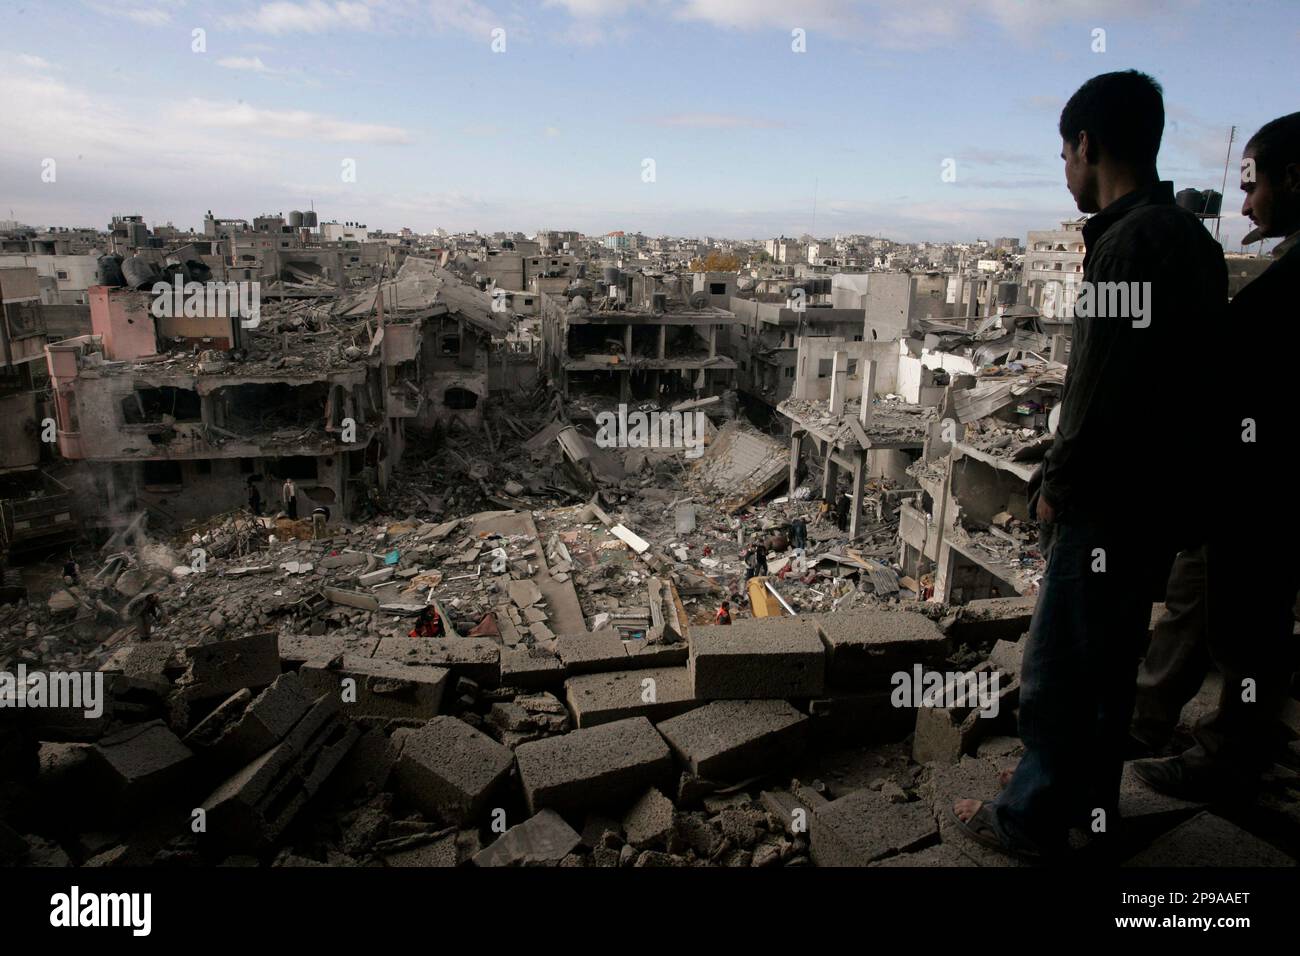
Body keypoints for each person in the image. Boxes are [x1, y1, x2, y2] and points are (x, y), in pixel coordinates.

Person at [951, 70, 1227, 861]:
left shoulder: (1127, 245)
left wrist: (1055, 488)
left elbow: (1098, 391)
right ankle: (1091, 813)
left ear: (1088, 145)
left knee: (1062, 668)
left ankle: (1029, 820)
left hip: (1106, 501)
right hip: (1159, 501)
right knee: (1110, 670)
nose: (1064, 170)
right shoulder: (1192, 243)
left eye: (1064, 152)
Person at [1130, 113, 1300, 801]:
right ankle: (1157, 724)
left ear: (1294, 177)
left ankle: (1231, 758)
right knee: (1199, 600)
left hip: (1265, 485)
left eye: (1254, 185)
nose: (1247, 203)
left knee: (1247, 628)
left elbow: (1234, 359)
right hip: (1242, 481)